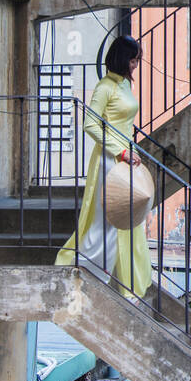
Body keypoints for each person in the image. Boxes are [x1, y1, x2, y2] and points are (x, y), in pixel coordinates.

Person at [56, 35, 152, 298]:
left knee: (127, 219)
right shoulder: (105, 87)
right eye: (133, 60)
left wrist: (130, 151)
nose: (135, 65)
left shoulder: (123, 86)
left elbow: (123, 124)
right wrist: (120, 151)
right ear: (123, 58)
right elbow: (90, 124)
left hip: (124, 159)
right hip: (110, 160)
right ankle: (92, 273)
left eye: (137, 60)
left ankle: (125, 284)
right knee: (110, 219)